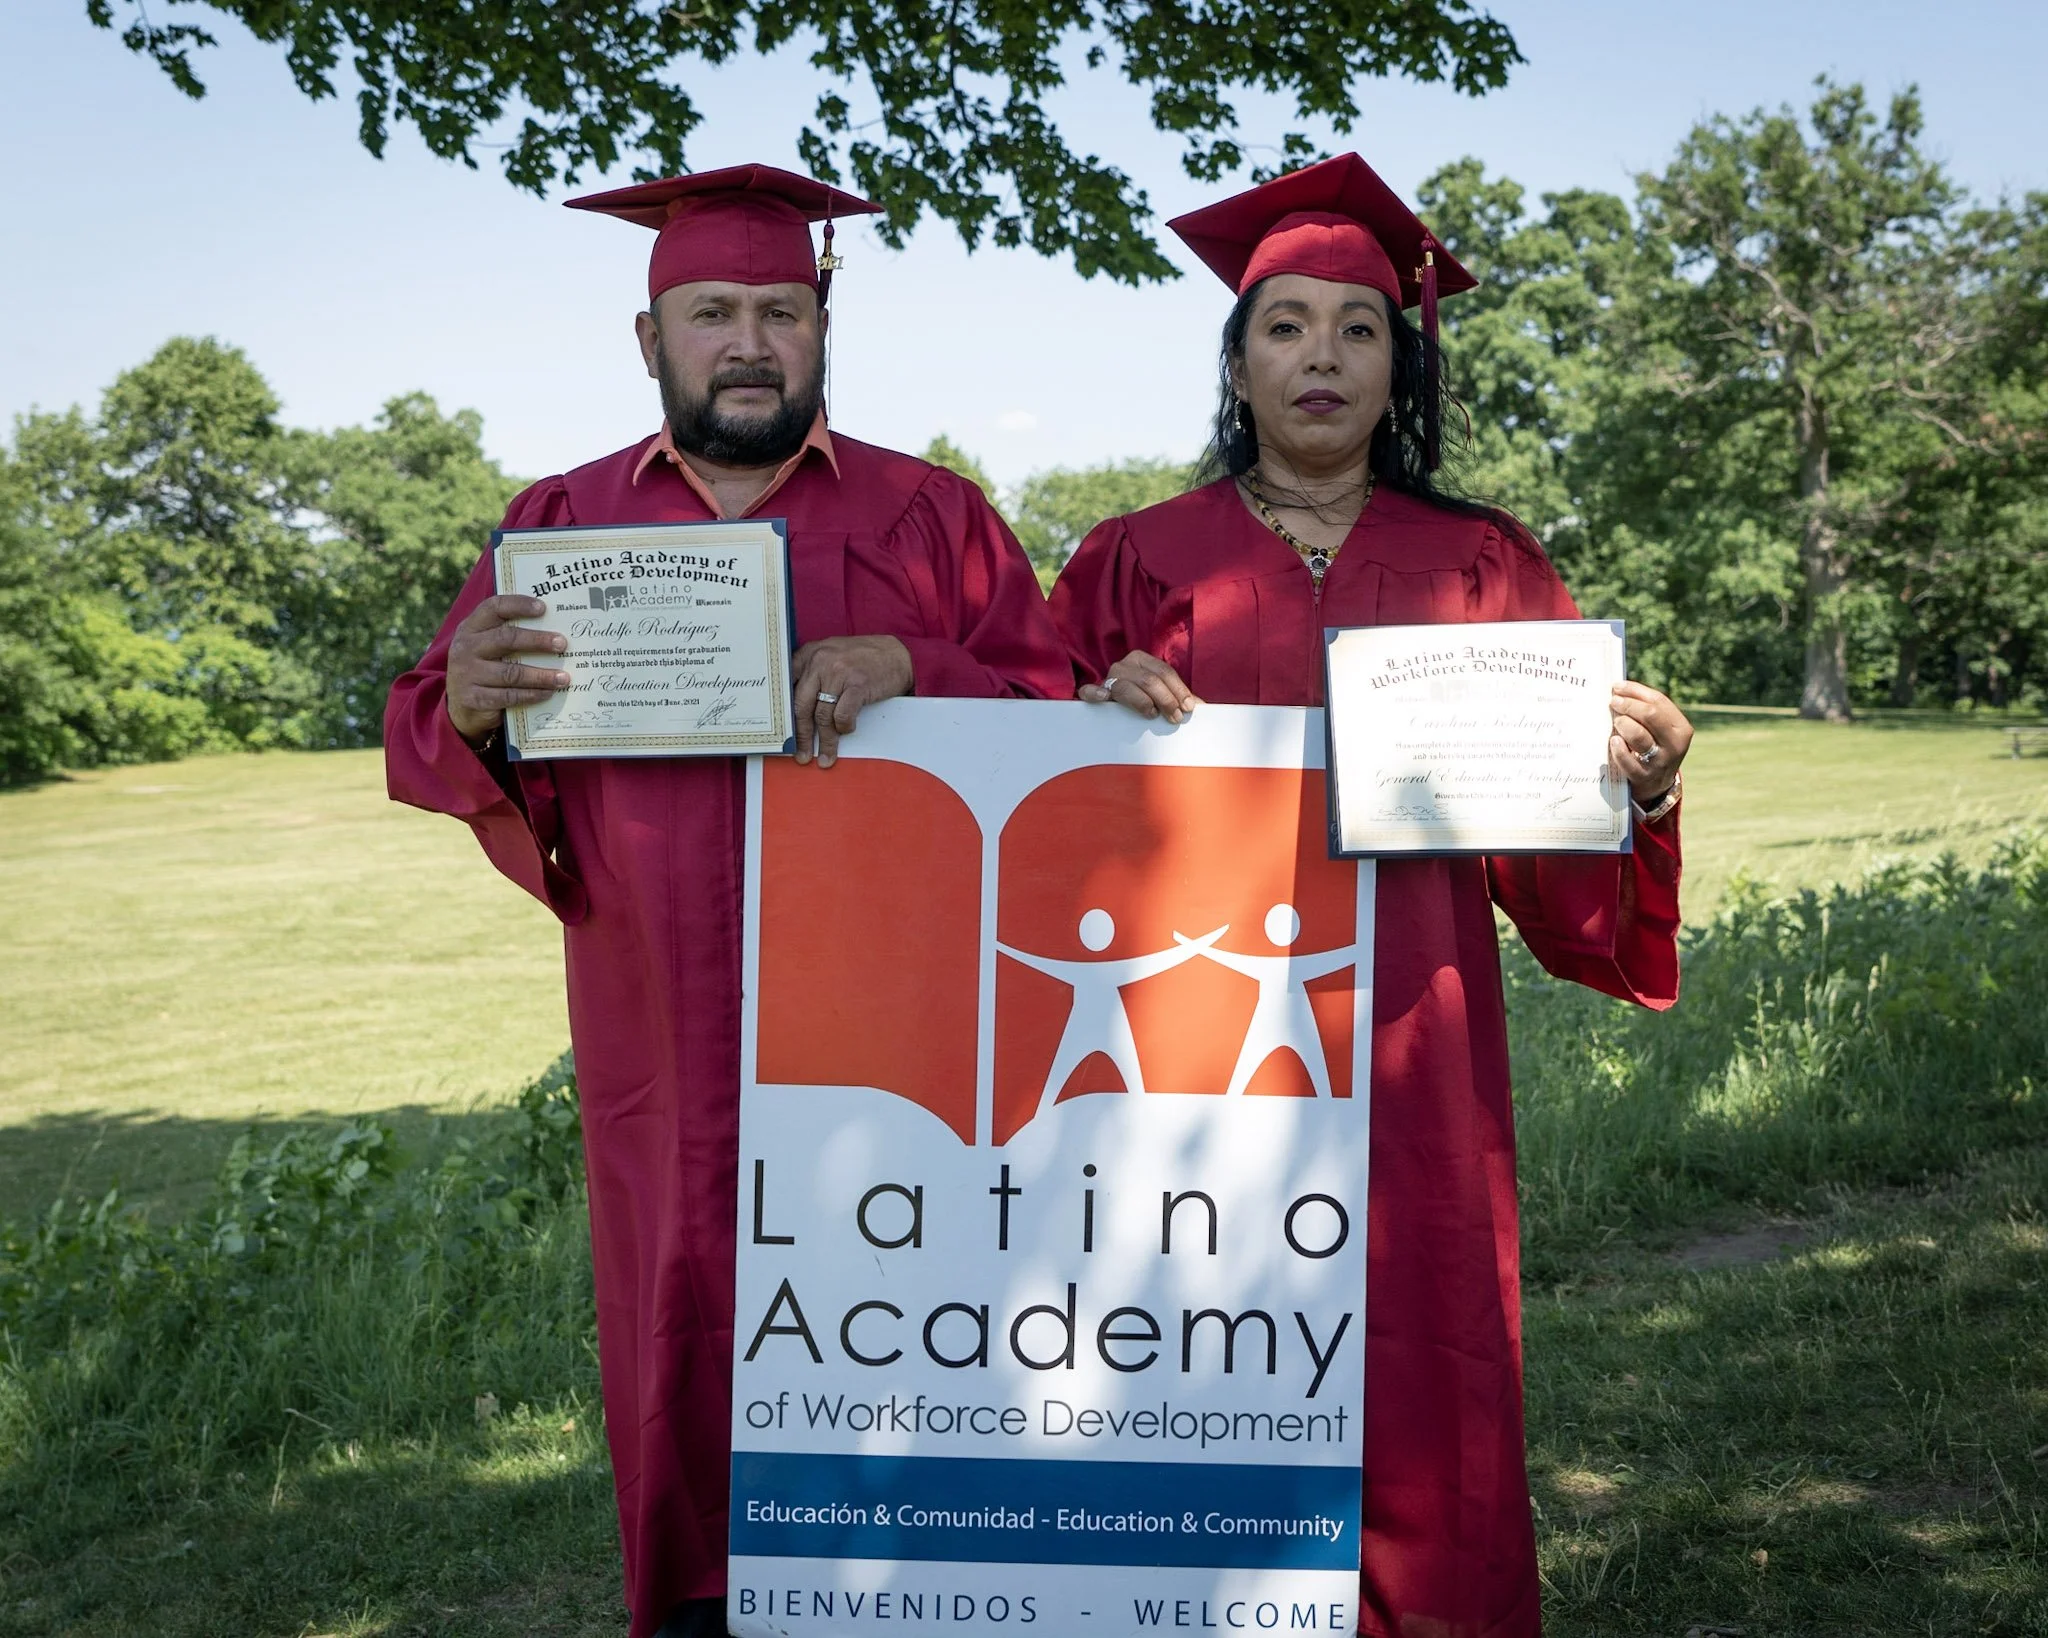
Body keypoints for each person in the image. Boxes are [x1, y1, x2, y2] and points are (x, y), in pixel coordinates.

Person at [384, 163, 1071, 1638]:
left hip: (909, 1044)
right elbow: (427, 728)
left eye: (779, 307)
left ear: (823, 322)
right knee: (689, 1342)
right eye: (711, 312)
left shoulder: (936, 517)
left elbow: (1062, 712)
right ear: (651, 341)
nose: (748, 340)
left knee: (911, 1333)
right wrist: (483, 705)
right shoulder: (558, 523)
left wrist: (918, 665)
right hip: (664, 1044)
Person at [1047, 153, 1693, 1638]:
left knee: (1425, 1350)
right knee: (1192, 1339)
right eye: (1285, 326)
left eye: (1355, 326)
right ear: (1238, 357)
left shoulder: (1481, 561)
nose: (1320, 356)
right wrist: (1083, 708)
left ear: (1399, 360)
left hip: (1415, 1037)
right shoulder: (1137, 559)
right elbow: (1025, 800)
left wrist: (1637, 784)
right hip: (1185, 1045)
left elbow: (1553, 856)